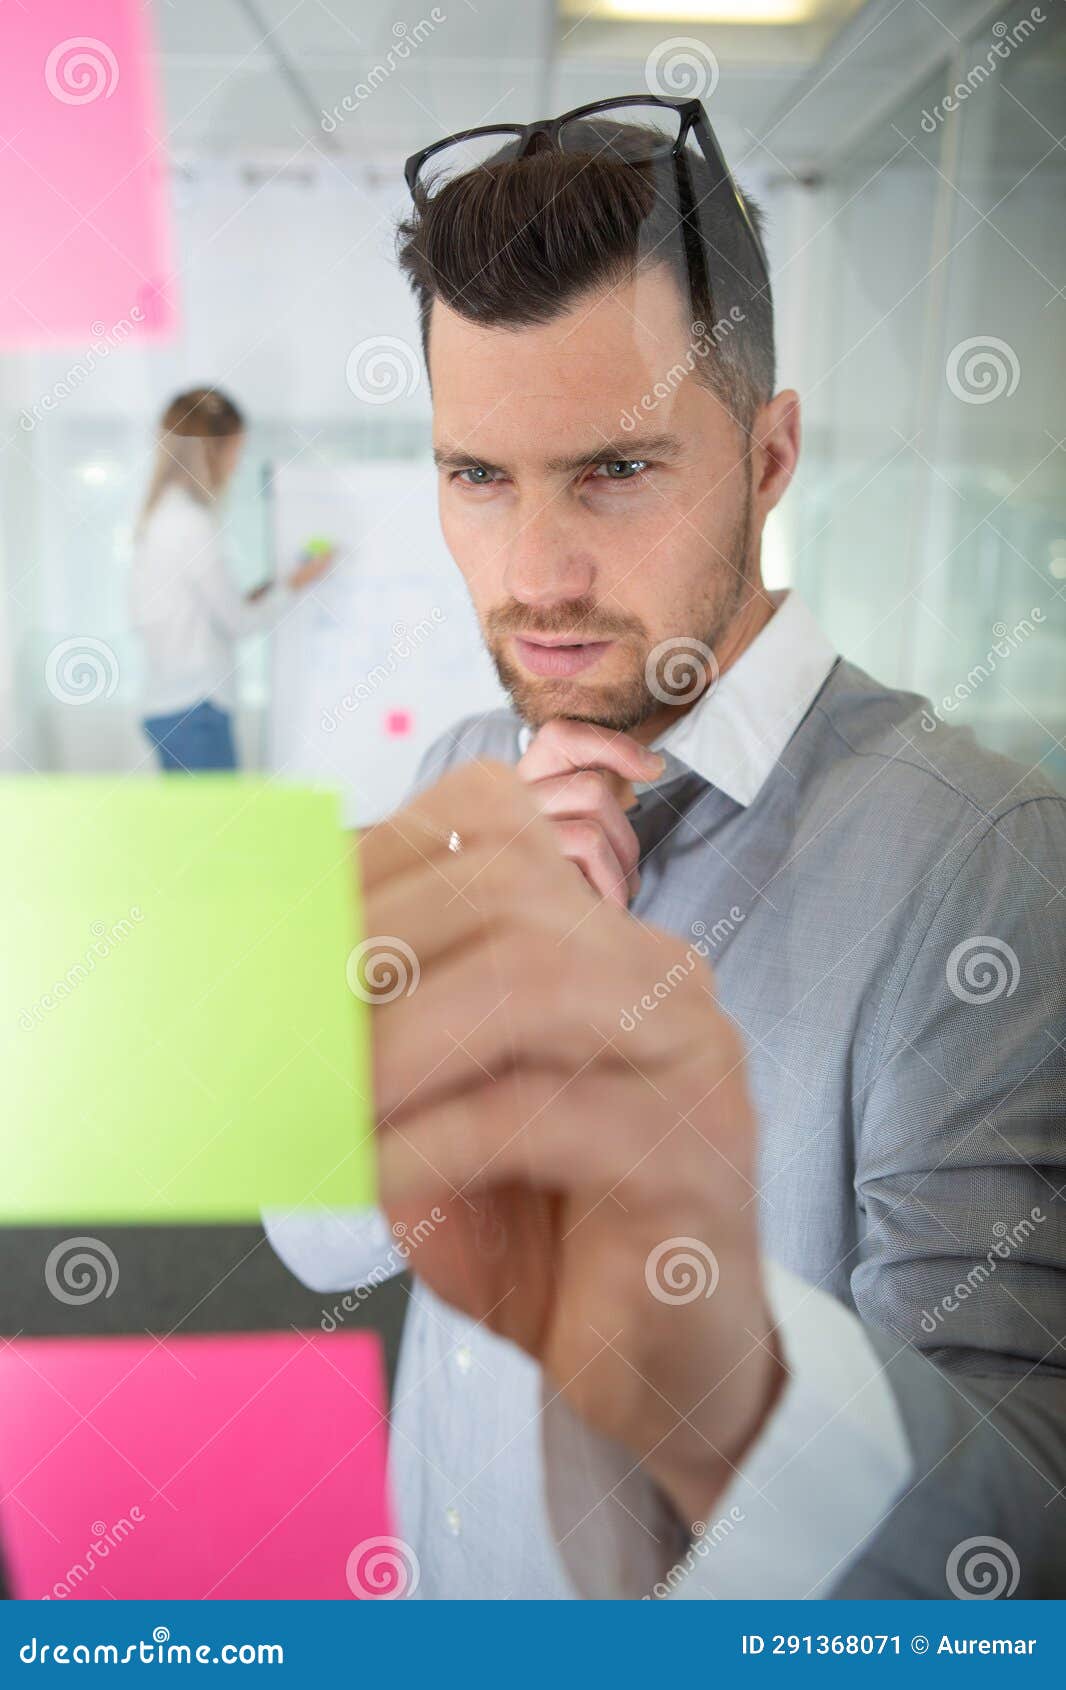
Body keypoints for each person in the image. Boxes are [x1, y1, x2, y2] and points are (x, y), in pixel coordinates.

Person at [268, 102, 1066, 1599]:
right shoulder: (468, 764)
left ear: (768, 457)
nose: (535, 576)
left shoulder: (981, 862)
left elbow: (1013, 1544)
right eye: (478, 475)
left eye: (617, 470)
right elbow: (318, 1244)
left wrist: (686, 1328)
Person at [129, 387, 330, 771]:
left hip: (168, 706)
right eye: (237, 450)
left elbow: (200, 613)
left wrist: (265, 592)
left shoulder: (162, 516)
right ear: (213, 450)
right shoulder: (192, 522)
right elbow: (237, 623)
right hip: (195, 711)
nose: (237, 465)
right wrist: (296, 583)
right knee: (214, 814)